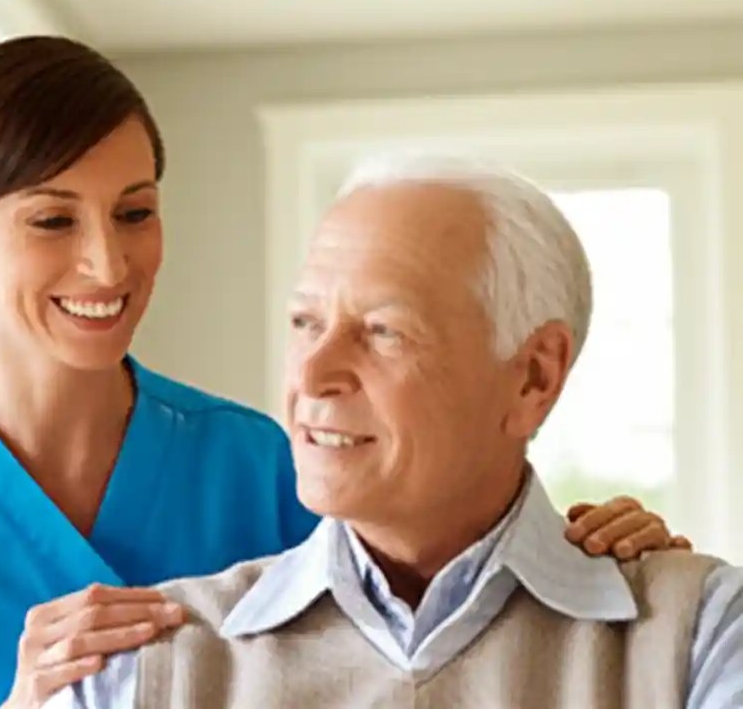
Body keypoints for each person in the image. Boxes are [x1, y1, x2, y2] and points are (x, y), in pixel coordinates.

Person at [0, 37, 689, 709]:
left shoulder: (265, 463)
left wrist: (584, 553)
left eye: (135, 212)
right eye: (54, 220)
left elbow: (443, 634)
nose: (108, 264)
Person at [57, 154, 743, 709]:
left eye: (383, 331)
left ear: (534, 377)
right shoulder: (134, 665)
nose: (313, 375)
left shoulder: (701, 633)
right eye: (305, 323)